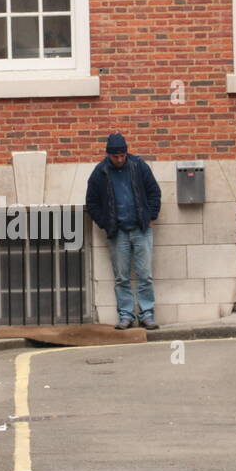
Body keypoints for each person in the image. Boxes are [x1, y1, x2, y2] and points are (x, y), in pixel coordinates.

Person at [85, 133, 162, 330]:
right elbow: (92, 202)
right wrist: (105, 223)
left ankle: (147, 315)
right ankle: (126, 315)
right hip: (117, 232)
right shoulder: (100, 172)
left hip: (141, 229)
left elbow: (154, 191)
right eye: (116, 156)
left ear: (126, 152)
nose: (120, 159)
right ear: (108, 155)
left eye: (122, 155)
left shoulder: (138, 166)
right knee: (122, 278)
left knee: (145, 275)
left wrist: (151, 216)